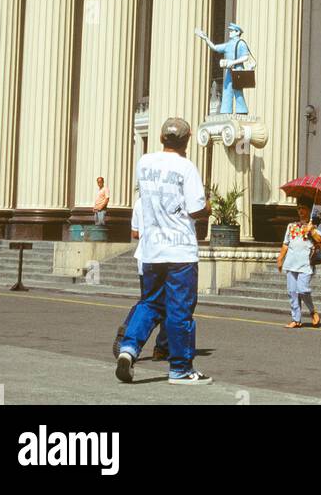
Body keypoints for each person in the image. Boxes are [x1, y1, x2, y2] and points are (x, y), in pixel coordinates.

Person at [114, 117, 212, 386]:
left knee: (150, 303)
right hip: (179, 251)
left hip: (151, 249)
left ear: (160, 138)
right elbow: (195, 210)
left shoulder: (144, 163)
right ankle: (180, 368)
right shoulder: (187, 168)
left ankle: (129, 349)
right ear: (188, 138)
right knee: (180, 310)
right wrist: (208, 209)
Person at [112, 196, 169, 361]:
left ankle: (127, 329)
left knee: (147, 301)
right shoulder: (168, 198)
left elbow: (135, 233)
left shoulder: (139, 202)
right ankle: (162, 348)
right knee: (168, 304)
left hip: (144, 258)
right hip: (163, 258)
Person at [276, 197, 321, 329]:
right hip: (291, 262)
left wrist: (312, 231)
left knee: (303, 290)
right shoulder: (292, 226)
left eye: (303, 208)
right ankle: (296, 319)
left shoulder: (316, 225)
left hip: (306, 263)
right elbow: (286, 244)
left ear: (310, 210)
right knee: (292, 291)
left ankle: (312, 311)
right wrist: (280, 258)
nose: (300, 211)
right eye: (298, 208)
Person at [193, 22, 255, 114]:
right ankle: (226, 111)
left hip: (237, 69)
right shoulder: (228, 44)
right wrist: (206, 38)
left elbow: (245, 57)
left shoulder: (241, 43)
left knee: (237, 91)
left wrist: (233, 62)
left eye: (232, 31)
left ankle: (242, 111)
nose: (230, 32)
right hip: (229, 70)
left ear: (237, 32)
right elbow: (214, 47)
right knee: (227, 90)